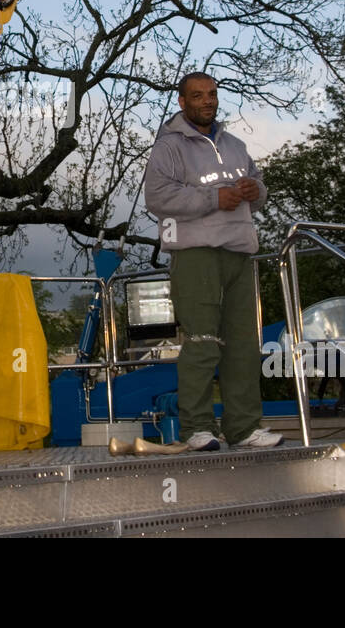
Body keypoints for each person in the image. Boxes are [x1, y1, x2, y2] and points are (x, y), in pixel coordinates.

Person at [144, 72, 282, 452]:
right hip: (195, 254)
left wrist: (258, 191)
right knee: (203, 341)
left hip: (239, 252)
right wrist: (213, 199)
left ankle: (243, 428)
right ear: (182, 101)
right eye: (198, 95)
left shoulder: (235, 144)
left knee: (243, 345)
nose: (207, 101)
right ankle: (197, 429)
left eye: (212, 94)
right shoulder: (168, 147)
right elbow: (157, 198)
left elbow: (257, 187)